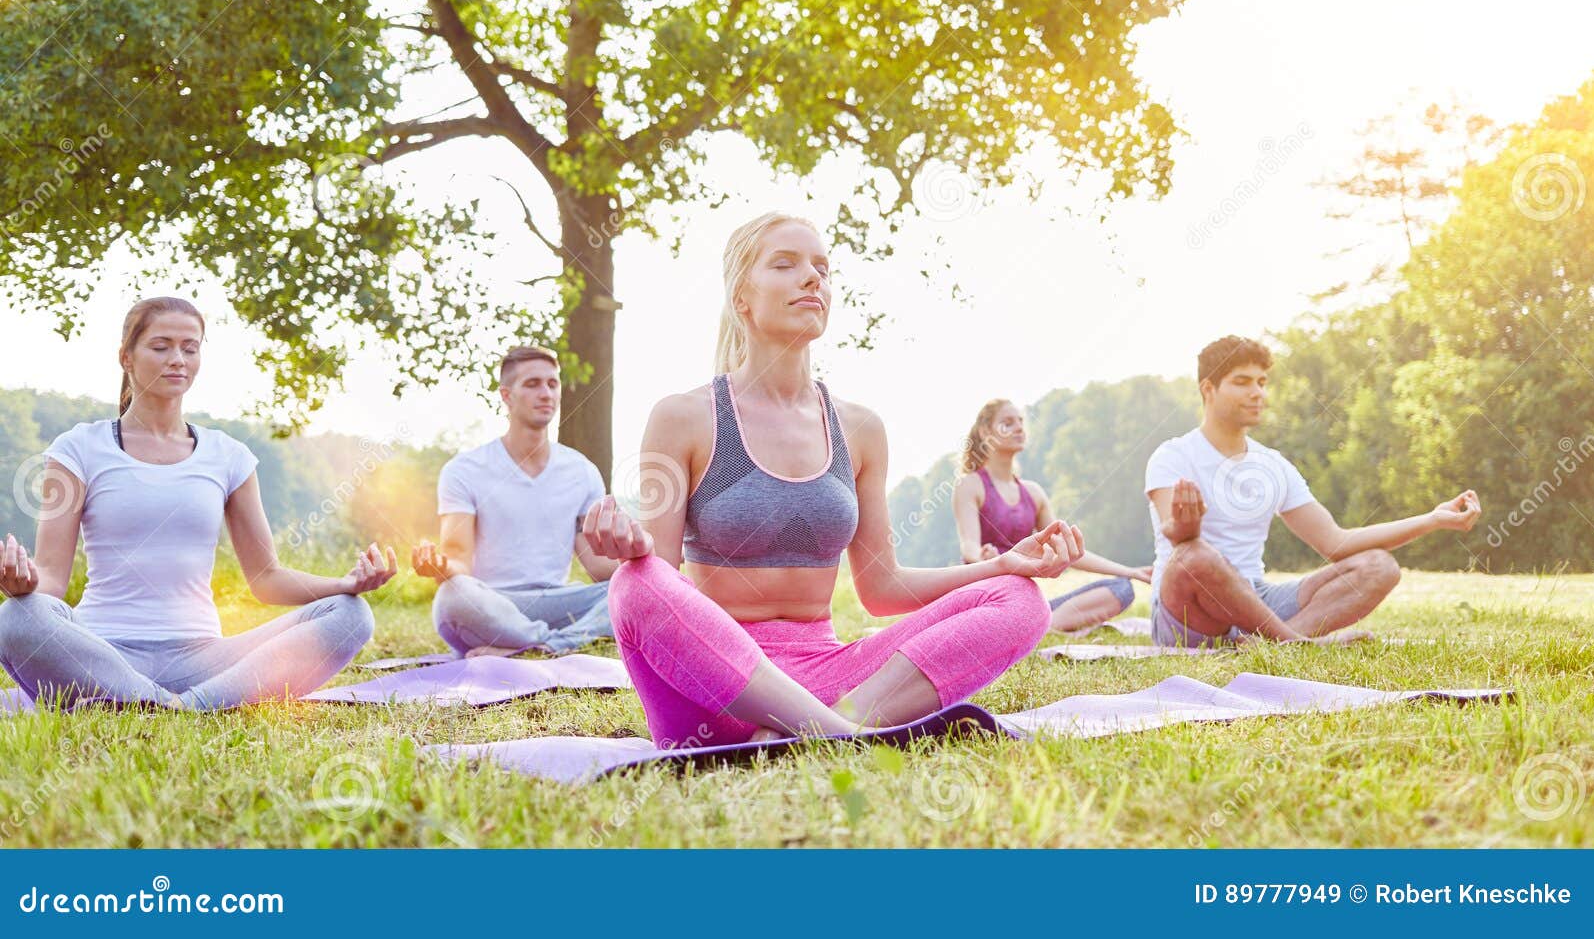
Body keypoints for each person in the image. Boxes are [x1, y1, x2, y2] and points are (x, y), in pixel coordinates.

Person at [581, 212, 1085, 749]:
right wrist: (629, 548)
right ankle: (840, 735)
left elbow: (882, 589)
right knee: (634, 583)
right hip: (714, 692)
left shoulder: (861, 428)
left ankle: (817, 730)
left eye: (822, 268)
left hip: (830, 677)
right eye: (785, 264)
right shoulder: (682, 416)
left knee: (1020, 599)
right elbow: (662, 581)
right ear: (741, 298)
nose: (812, 278)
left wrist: (1003, 564)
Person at [0, 297, 393, 710]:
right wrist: (23, 585)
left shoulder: (229, 456)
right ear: (126, 357)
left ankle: (183, 705)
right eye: (161, 346)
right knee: (19, 618)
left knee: (351, 616)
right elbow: (52, 583)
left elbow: (267, 578)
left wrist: (345, 586)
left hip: (203, 660)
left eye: (190, 348)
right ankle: (168, 702)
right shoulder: (78, 448)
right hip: (103, 653)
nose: (178, 359)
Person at [1145, 335, 1481, 647]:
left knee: (1380, 567)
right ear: (1209, 389)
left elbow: (1337, 543)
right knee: (1196, 556)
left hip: (1256, 600)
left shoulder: (1274, 465)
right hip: (1190, 614)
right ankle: (1292, 643)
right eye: (1242, 382)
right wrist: (1187, 529)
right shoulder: (1174, 455)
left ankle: (1275, 645)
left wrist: (1432, 519)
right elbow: (1177, 539)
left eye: (1262, 382)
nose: (1257, 392)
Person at [411, 345, 613, 657]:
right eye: (532, 384)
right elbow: (459, 560)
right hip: (490, 602)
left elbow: (598, 566)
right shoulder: (464, 470)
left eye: (552, 383)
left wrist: (649, 559)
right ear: (507, 396)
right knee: (452, 597)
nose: (546, 393)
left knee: (635, 590)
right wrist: (439, 566)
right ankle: (561, 643)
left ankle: (540, 647)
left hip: (558, 601)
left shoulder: (582, 471)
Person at [954, 399, 1151, 632]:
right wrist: (984, 559)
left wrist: (1130, 572)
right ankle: (1026, 629)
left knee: (1121, 588)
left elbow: (1068, 550)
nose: (1019, 428)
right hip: (983, 600)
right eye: (1008, 423)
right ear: (986, 431)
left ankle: (1038, 629)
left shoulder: (1034, 492)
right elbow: (968, 546)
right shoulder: (970, 485)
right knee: (1006, 611)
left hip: (1022, 602)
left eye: (1021, 421)